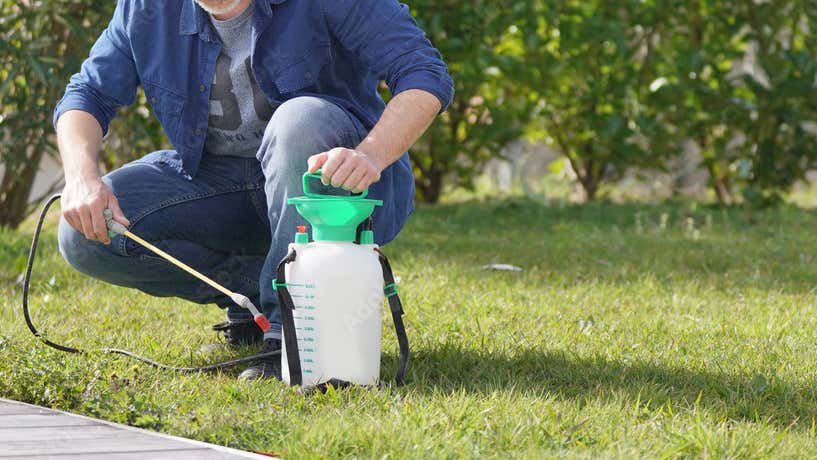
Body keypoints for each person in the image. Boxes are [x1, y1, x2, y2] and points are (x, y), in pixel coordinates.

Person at [54, 0, 453, 380]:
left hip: (334, 189)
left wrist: (369, 155)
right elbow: (87, 95)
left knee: (299, 120)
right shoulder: (147, 8)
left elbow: (424, 73)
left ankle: (288, 332)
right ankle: (249, 298)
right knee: (84, 234)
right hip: (220, 185)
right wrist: (81, 178)